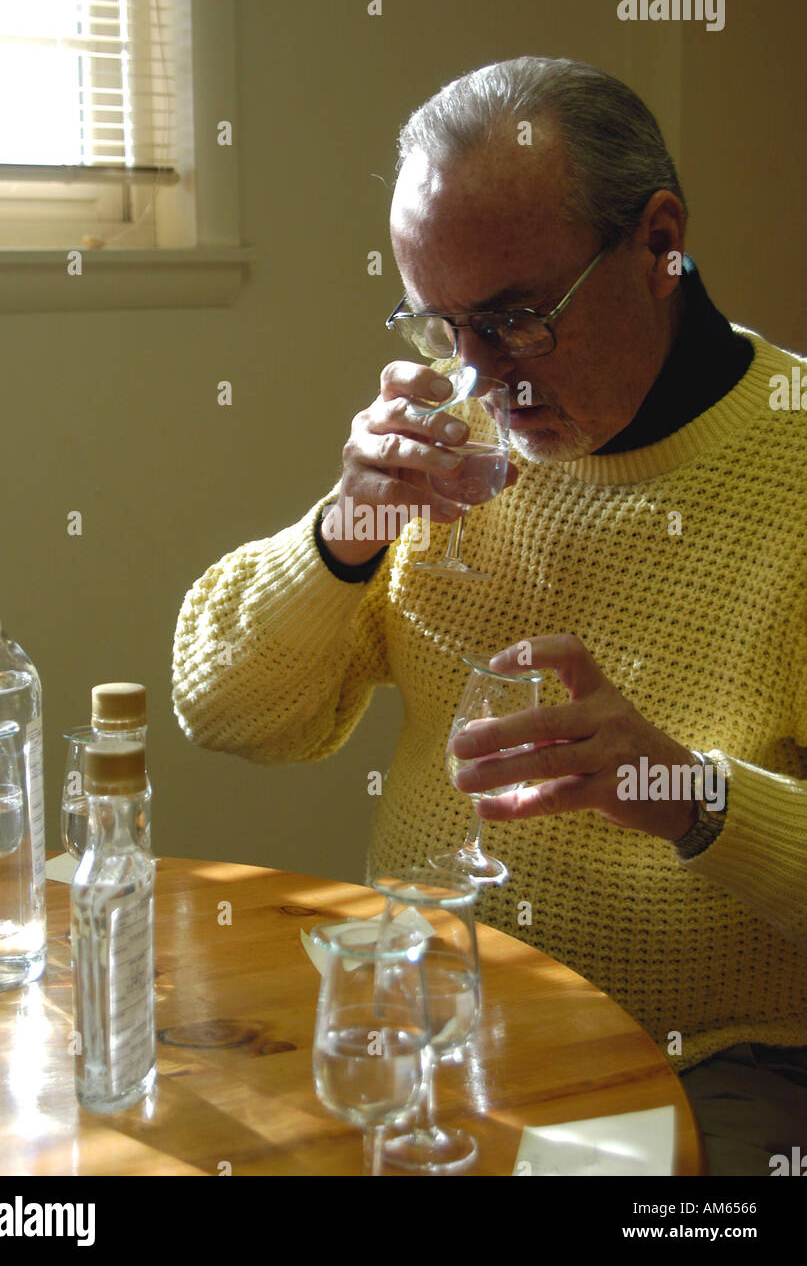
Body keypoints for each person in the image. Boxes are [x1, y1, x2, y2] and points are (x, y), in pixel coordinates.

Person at [172, 57, 807, 1175]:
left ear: (660, 243)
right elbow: (225, 712)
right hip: (429, 1017)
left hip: (707, 1059)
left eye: (515, 318)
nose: (477, 377)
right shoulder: (451, 462)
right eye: (439, 325)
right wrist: (344, 531)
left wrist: (684, 792)